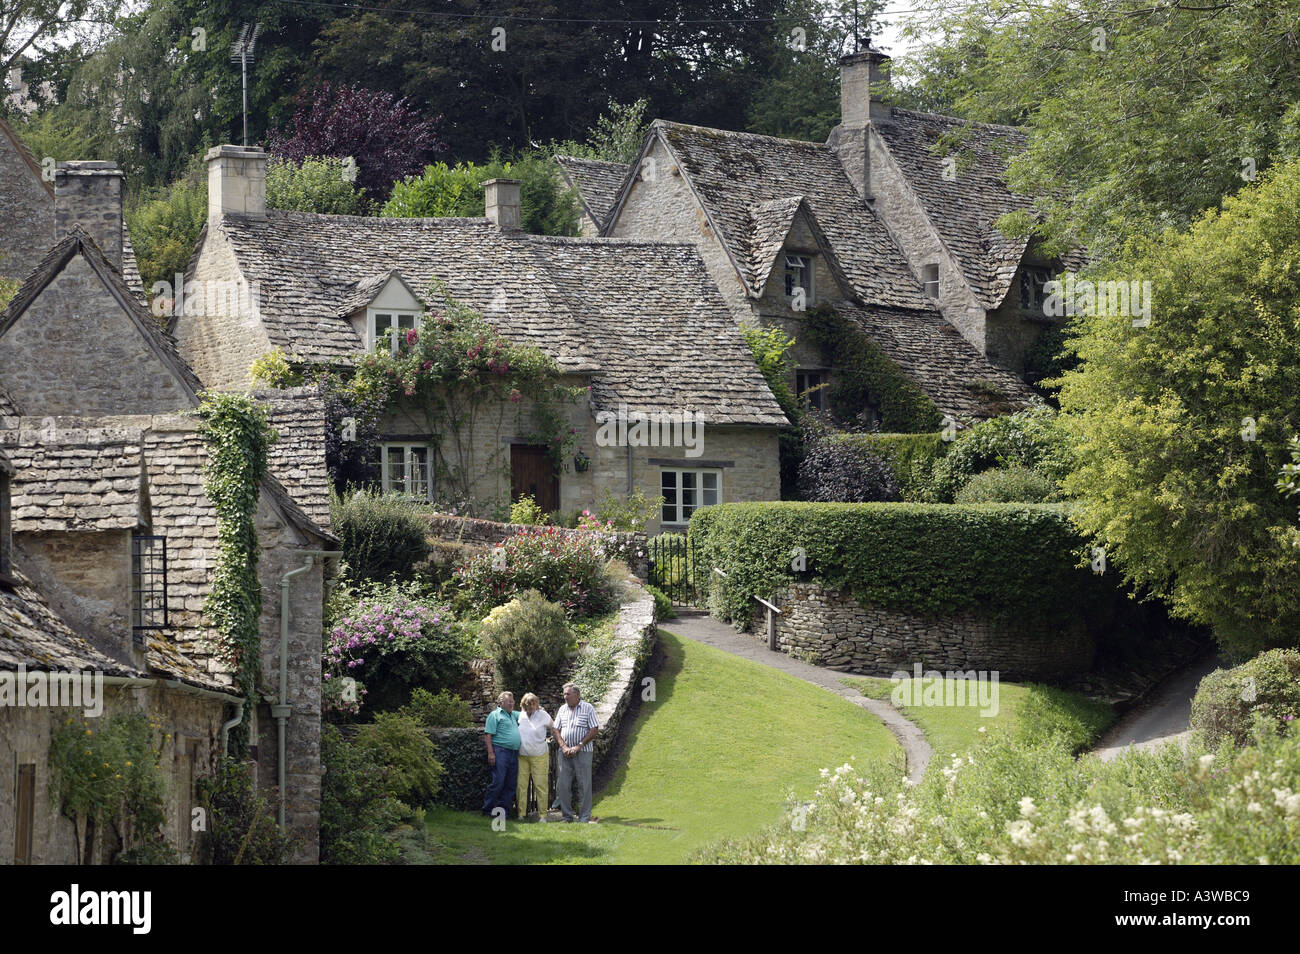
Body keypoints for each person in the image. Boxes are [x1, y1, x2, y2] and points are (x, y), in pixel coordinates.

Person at [552, 682, 599, 823]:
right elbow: (555, 729)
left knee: (584, 785)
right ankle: (567, 817)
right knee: (563, 785)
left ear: (577, 695)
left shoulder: (587, 708)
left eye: (568, 694)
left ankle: (584, 818)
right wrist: (563, 746)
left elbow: (594, 729)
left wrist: (579, 746)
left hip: (583, 752)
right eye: (564, 694)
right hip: (564, 753)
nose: (565, 697)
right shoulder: (562, 709)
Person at [481, 691, 520, 817]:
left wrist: (538, 709)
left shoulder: (514, 714)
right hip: (501, 751)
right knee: (498, 781)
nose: (511, 704)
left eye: (512, 701)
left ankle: (503, 812)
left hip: (514, 753)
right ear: (500, 702)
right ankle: (487, 810)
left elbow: (528, 713)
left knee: (510, 783)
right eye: (509, 701)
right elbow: (488, 735)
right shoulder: (495, 715)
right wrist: (491, 753)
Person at [515, 692, 553, 820]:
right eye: (528, 704)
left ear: (537, 704)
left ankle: (542, 816)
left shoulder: (543, 714)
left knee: (540, 785)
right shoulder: (520, 715)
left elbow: (554, 727)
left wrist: (558, 741)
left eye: (534, 703)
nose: (531, 706)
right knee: (521, 785)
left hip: (539, 755)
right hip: (522, 755)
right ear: (524, 705)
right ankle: (521, 814)